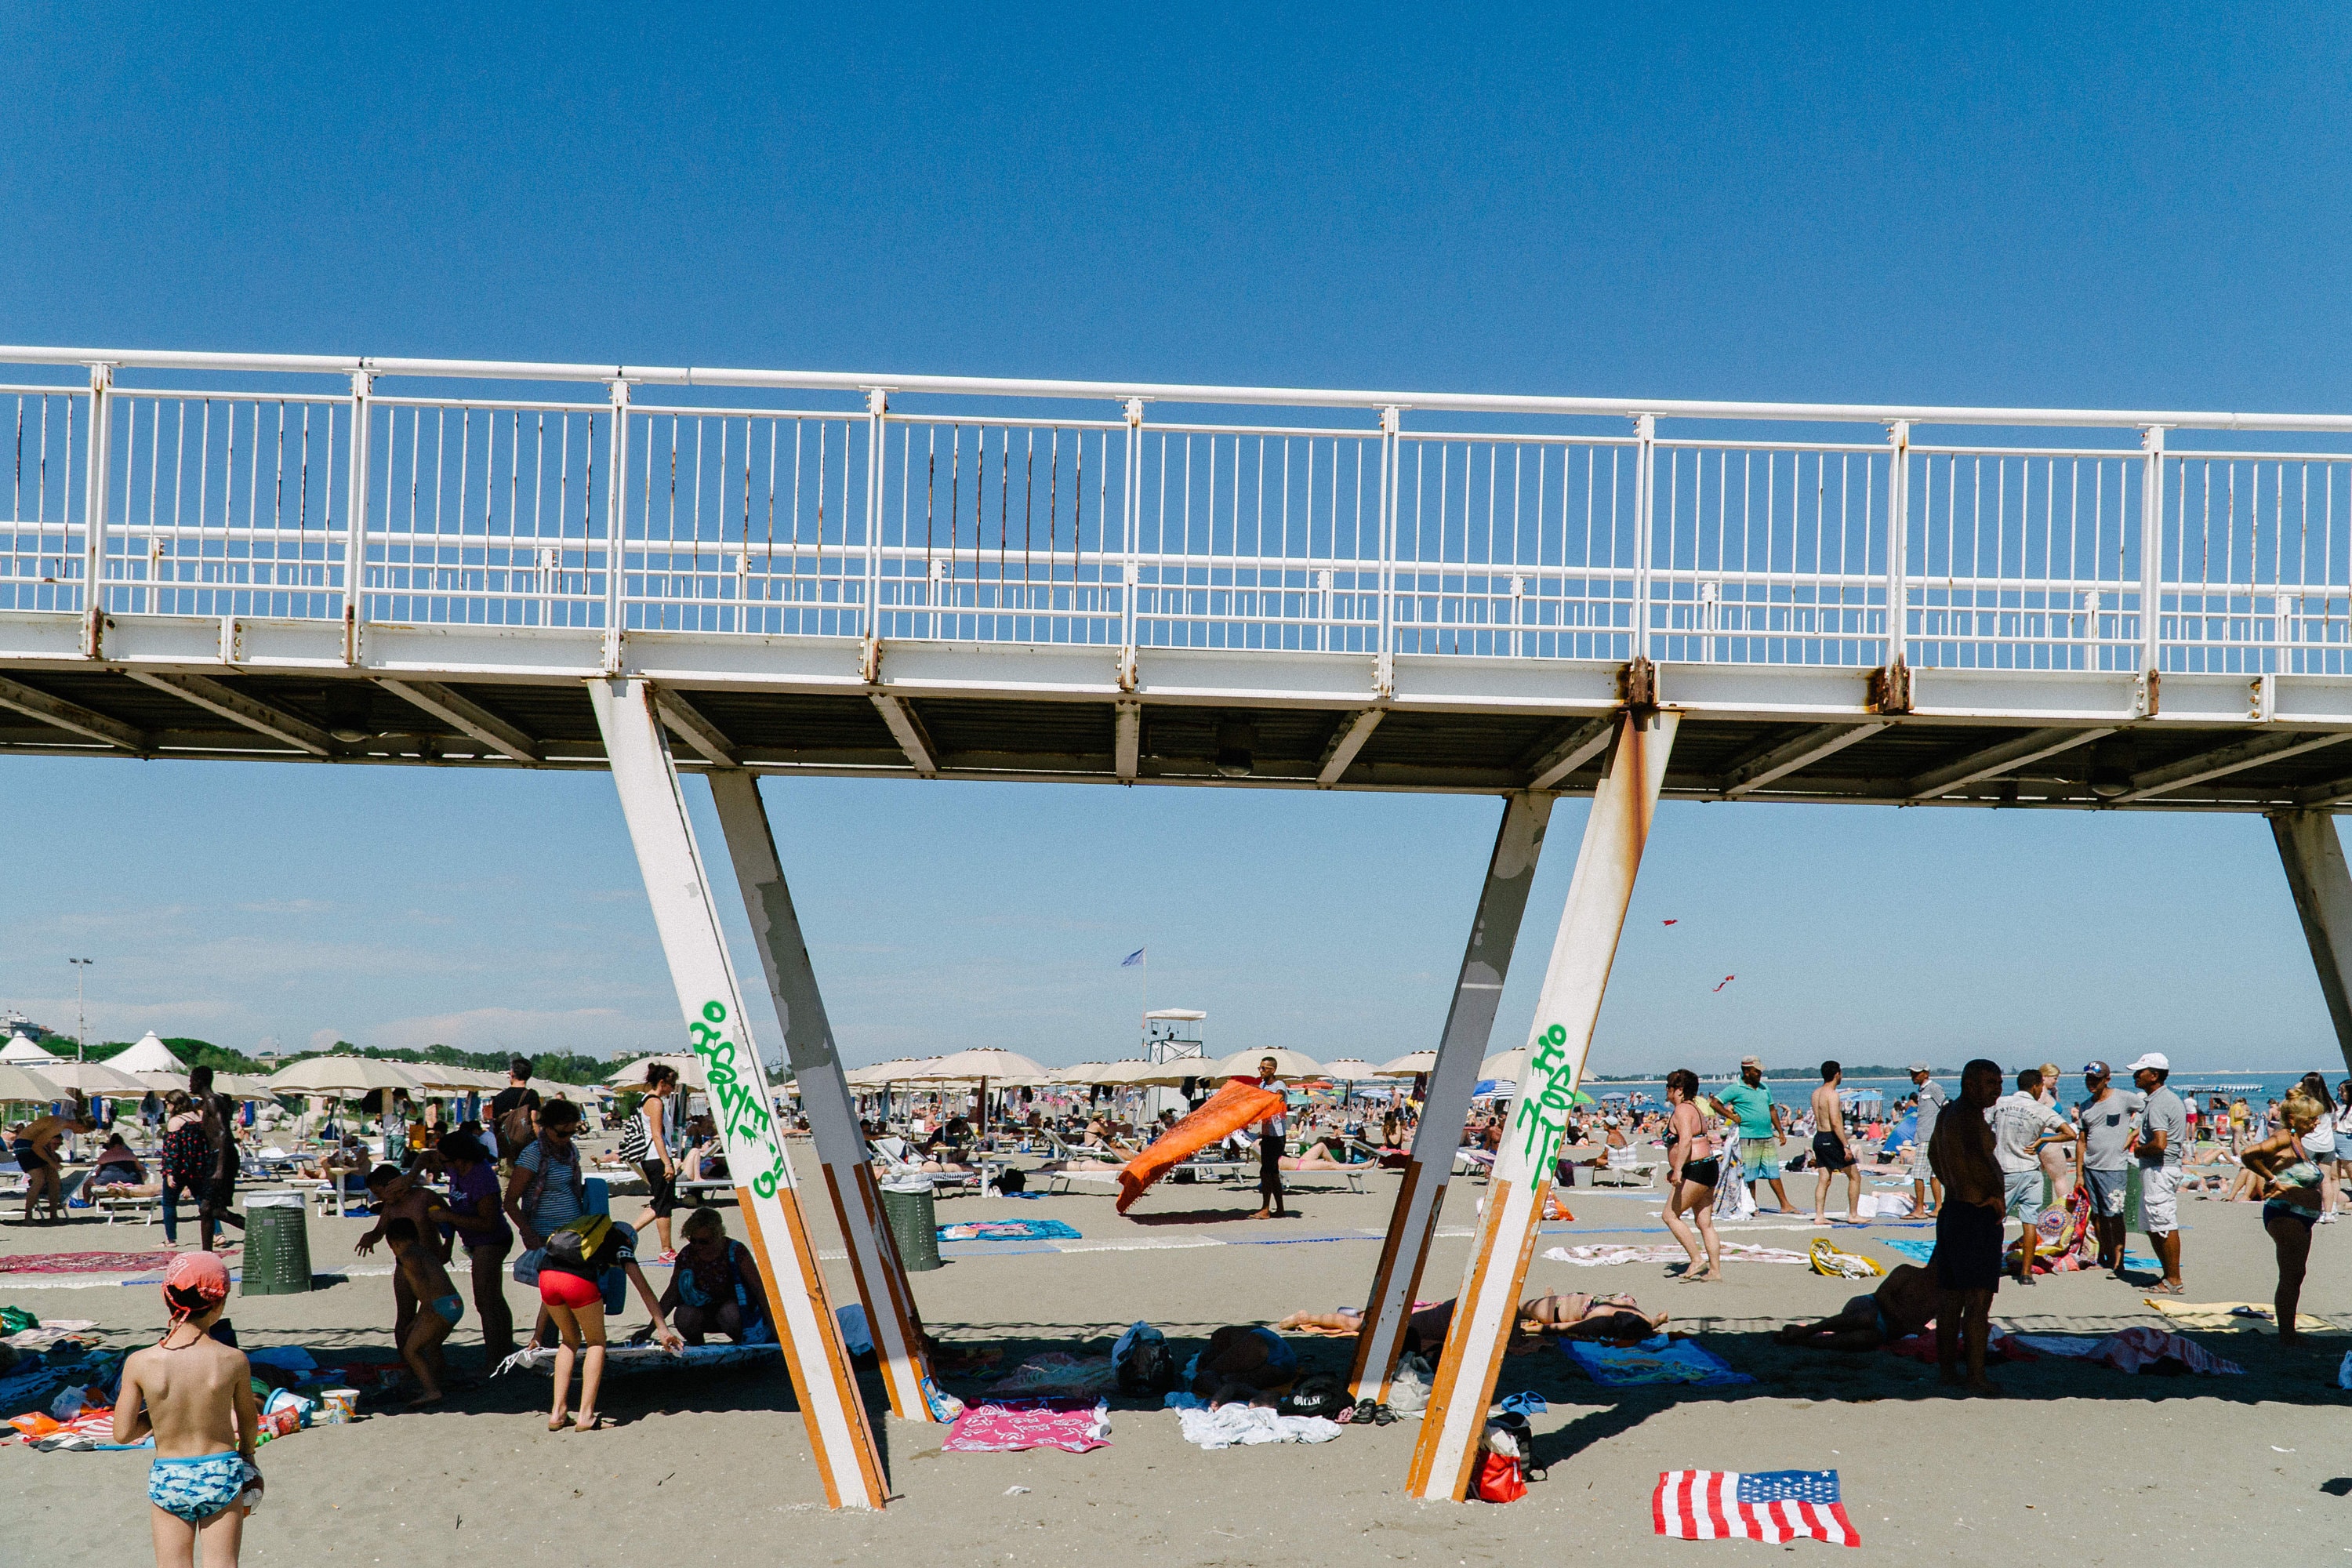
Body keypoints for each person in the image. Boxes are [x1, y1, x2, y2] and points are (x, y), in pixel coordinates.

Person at [114, 1251, 262, 1567]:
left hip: (170, 1474)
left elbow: (123, 1433)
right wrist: (248, 1457)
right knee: (222, 1562)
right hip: (221, 1470)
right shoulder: (233, 1360)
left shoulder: (140, 1362)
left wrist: (161, 1412)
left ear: (166, 1296)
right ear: (219, 1305)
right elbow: (249, 1422)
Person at [536, 1212, 681, 1432]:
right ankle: (586, 1416)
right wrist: (662, 1328)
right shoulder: (621, 1241)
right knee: (596, 1343)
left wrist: (538, 1334)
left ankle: (557, 1413)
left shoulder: (581, 1237)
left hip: (547, 1277)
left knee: (568, 1341)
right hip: (577, 1281)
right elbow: (644, 1289)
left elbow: (552, 1288)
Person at [1928, 1058, 2005, 1395]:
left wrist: (1953, 1185)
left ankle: (1948, 1372)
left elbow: (1933, 1154)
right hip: (1973, 1214)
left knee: (1951, 1298)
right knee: (1976, 1302)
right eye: (1991, 1083)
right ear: (1970, 1085)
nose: (1998, 1090)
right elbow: (1982, 1159)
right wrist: (1991, 1195)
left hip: (1954, 1210)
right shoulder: (1968, 1116)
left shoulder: (1947, 1113)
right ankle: (1975, 1375)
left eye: (2000, 1083)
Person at [2239, 1090, 2326, 1345]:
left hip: (2300, 1216)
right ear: (2293, 1119)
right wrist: (2272, 1178)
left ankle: (2289, 1331)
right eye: (2311, 1119)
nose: (2316, 1123)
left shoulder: (2296, 1140)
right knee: (2291, 1274)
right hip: (2286, 1214)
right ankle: (2287, 1335)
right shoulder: (2282, 1138)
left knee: (2296, 1274)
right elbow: (2248, 1155)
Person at [426, 1130, 515, 1363]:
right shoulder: (457, 1169)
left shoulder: (482, 1177)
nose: (442, 1165)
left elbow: (488, 1223)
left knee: (486, 1301)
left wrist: (448, 1218)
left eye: (444, 1160)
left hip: (492, 1240)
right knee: (493, 1298)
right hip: (476, 1240)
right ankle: (504, 1350)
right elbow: (425, 1159)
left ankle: (495, 1359)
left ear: (459, 1158)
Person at [1991, 1066, 2073, 1285]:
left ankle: (1990, 1265)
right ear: (2037, 1086)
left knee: (1995, 1220)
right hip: (2030, 1171)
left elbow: (1981, 1124)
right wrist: (2043, 1140)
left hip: (2004, 1169)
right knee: (2030, 1222)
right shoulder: (2040, 1109)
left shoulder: (2000, 1103)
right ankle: (2026, 1273)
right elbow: (2069, 1133)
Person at [379, 1217, 461, 1408]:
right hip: (455, 1303)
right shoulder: (424, 1251)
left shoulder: (407, 1257)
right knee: (432, 1346)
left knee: (411, 1350)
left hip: (439, 1306)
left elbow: (424, 1292)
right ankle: (435, 1382)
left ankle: (431, 1390)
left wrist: (419, 1318)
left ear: (395, 1243)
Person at [656, 1207, 768, 1344]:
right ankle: (698, 1348)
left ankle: (743, 1343)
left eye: (704, 1241)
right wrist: (652, 1328)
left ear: (718, 1236)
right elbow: (672, 1293)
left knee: (729, 1313)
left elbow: (758, 1289)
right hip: (702, 1313)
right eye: (693, 1240)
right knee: (684, 1315)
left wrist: (774, 1324)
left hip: (738, 1314)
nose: (698, 1246)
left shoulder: (736, 1251)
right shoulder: (687, 1254)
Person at [2125, 1051, 2187, 1294]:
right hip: (2160, 1169)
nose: (2135, 1076)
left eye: (2140, 1072)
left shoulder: (2160, 1103)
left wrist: (2140, 1150)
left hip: (2160, 1168)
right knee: (2152, 1223)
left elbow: (2160, 1143)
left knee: (2163, 1222)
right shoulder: (2160, 1100)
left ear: (2154, 1075)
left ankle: (2174, 1279)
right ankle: (2168, 1275)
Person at [1774, 1262, 1940, 1352]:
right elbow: (1882, 1295)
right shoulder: (1907, 1272)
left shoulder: (1942, 1297)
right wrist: (1907, 1324)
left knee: (1869, 1338)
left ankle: (1808, 1342)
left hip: (1885, 1331)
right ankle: (1809, 1330)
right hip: (1870, 1306)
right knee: (1866, 1318)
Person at [2074, 1061, 2141, 1273]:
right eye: (2088, 1079)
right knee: (2098, 1215)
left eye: (2096, 1079)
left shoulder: (2122, 1098)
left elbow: (2147, 1109)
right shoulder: (2085, 1107)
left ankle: (2118, 1260)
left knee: (2115, 1215)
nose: (2091, 1083)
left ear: (2107, 1079)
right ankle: (2105, 1256)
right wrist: (2079, 1174)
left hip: (2114, 1168)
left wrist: (2132, 1131)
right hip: (2091, 1168)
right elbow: (2081, 1142)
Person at [1707, 1056, 1793, 1212]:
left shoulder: (1764, 1088)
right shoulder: (1736, 1088)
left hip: (1767, 1136)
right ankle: (1752, 1205)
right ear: (1746, 1072)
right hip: (1748, 1137)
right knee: (1750, 1175)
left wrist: (1780, 1132)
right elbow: (1715, 1103)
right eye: (1756, 1071)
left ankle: (1785, 1204)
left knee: (1773, 1171)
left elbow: (1772, 1110)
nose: (1759, 1073)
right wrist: (1732, 1116)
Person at [1661, 1069, 1723, 1283]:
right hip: (1707, 1166)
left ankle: (1696, 1259)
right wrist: (1676, 1167)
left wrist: (1678, 1170)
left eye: (1668, 1087)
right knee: (1704, 1222)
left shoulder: (1682, 1111)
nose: (1666, 1091)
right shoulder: (1696, 1109)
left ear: (1678, 1090)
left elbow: (1686, 1140)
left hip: (1695, 1169)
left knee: (1669, 1215)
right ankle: (1715, 1271)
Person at [625, 1063, 684, 1261]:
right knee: (665, 1206)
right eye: (672, 1084)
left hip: (651, 1157)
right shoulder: (656, 1103)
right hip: (657, 1157)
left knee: (660, 1202)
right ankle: (666, 1250)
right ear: (662, 1083)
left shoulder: (645, 1100)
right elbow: (658, 1136)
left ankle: (626, 1234)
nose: (673, 1088)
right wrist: (668, 1163)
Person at [187, 1066, 245, 1249]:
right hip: (218, 1156)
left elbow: (223, 1134)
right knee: (213, 1210)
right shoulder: (208, 1103)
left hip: (222, 1157)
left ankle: (257, 1229)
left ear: (199, 1081)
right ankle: (207, 1253)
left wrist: (219, 1169)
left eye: (192, 1080)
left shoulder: (212, 1101)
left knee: (208, 1208)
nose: (190, 1084)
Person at [13, 1109, 93, 1221]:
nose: (81, 1134)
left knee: (54, 1179)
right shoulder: (59, 1125)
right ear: (81, 1126)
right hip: (24, 1145)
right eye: (83, 1131)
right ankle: (28, 1217)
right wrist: (52, 1162)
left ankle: (53, 1215)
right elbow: (37, 1146)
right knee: (39, 1180)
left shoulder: (63, 1121)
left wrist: (52, 1157)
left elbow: (42, 1140)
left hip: (35, 1145)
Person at [1809, 1062, 1860, 1224]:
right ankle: (1853, 1215)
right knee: (1854, 1176)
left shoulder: (1816, 1093)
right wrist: (1846, 1146)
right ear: (1837, 1074)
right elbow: (1836, 1122)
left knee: (1824, 1178)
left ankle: (1819, 1216)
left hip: (1819, 1137)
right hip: (1831, 1138)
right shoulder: (1832, 1095)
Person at [2295, 1073, 2339, 1223]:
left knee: (2307, 1179)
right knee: (2325, 1181)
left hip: (2309, 1143)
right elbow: (2334, 1125)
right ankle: (2328, 1214)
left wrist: (2296, 1089)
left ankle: (2307, 1209)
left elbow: (2287, 1109)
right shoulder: (2330, 1104)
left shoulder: (2306, 1103)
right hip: (2327, 1144)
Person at [1250, 1056, 1289, 1221]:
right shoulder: (1263, 1085)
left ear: (1272, 1070)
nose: (1261, 1071)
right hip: (1267, 1134)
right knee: (1272, 1172)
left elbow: (1278, 1097)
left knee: (1266, 1171)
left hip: (1277, 1136)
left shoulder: (1279, 1085)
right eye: (1260, 1068)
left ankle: (1266, 1209)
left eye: (1264, 1068)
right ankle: (1279, 1209)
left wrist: (1266, 1100)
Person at [1906, 1063, 1947, 1218]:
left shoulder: (1934, 1088)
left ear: (1926, 1073)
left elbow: (1946, 1105)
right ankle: (1938, 1207)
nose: (1913, 1077)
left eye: (1916, 1074)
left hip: (1929, 1136)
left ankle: (1919, 1210)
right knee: (1933, 1174)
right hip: (1927, 1136)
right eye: (1912, 1074)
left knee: (1918, 1173)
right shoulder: (1922, 1091)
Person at [488, 1057, 541, 1167]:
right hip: (527, 1150)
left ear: (512, 1074)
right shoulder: (531, 1095)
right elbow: (534, 1121)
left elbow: (495, 1125)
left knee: (506, 1181)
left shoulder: (499, 1098)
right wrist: (541, 1144)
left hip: (506, 1150)